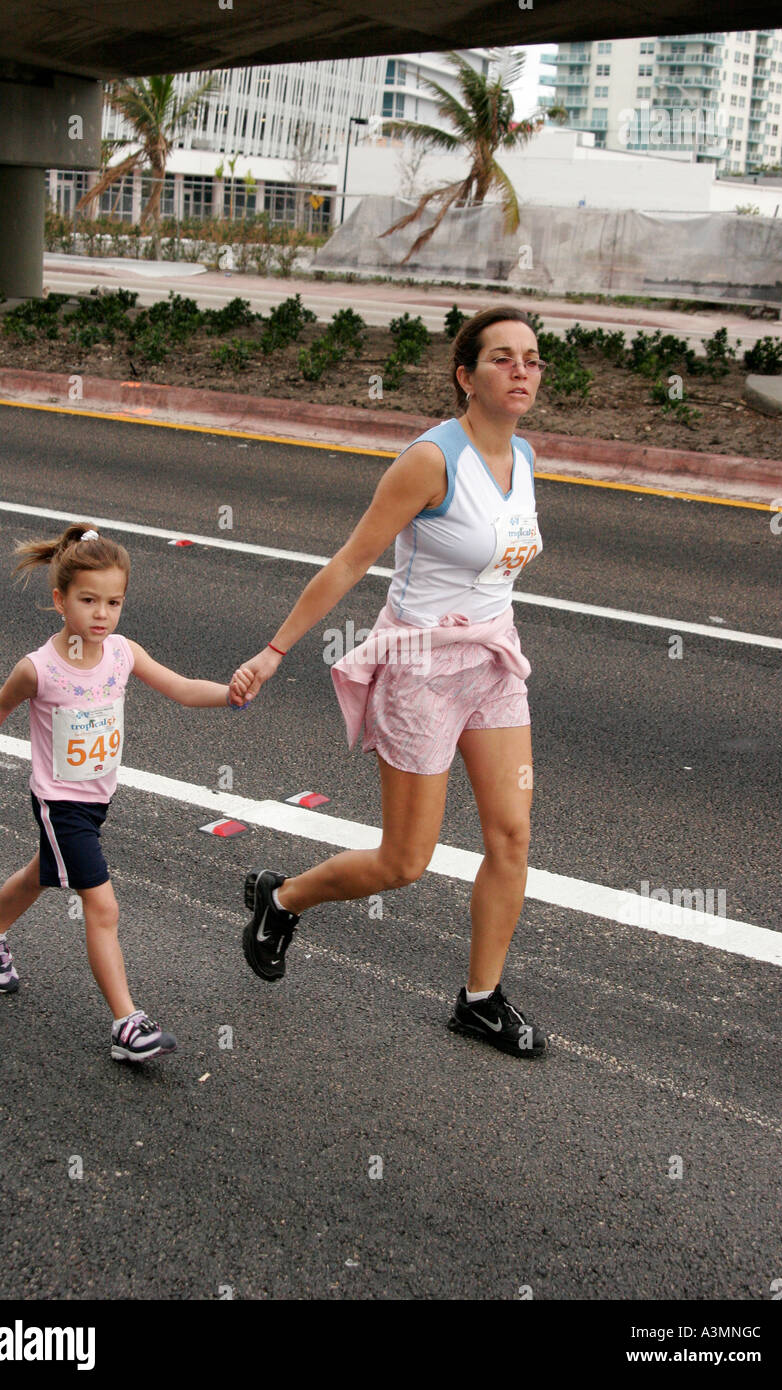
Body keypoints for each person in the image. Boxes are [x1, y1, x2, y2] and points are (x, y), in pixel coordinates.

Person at [230, 306, 550, 1059]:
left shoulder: (525, 455)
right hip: (420, 668)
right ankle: (281, 899)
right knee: (405, 862)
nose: (521, 372)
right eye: (502, 359)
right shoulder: (430, 460)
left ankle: (479, 1000)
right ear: (465, 376)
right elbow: (349, 561)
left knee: (512, 834)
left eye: (532, 360)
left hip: (492, 662)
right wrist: (276, 650)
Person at [0, 523, 235, 1062]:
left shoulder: (121, 654)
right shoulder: (38, 668)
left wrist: (231, 695)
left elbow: (180, 688)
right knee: (102, 905)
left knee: (44, 871)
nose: (102, 614)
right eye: (89, 600)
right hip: (59, 802)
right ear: (61, 600)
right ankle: (127, 1024)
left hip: (96, 799)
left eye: (114, 602)